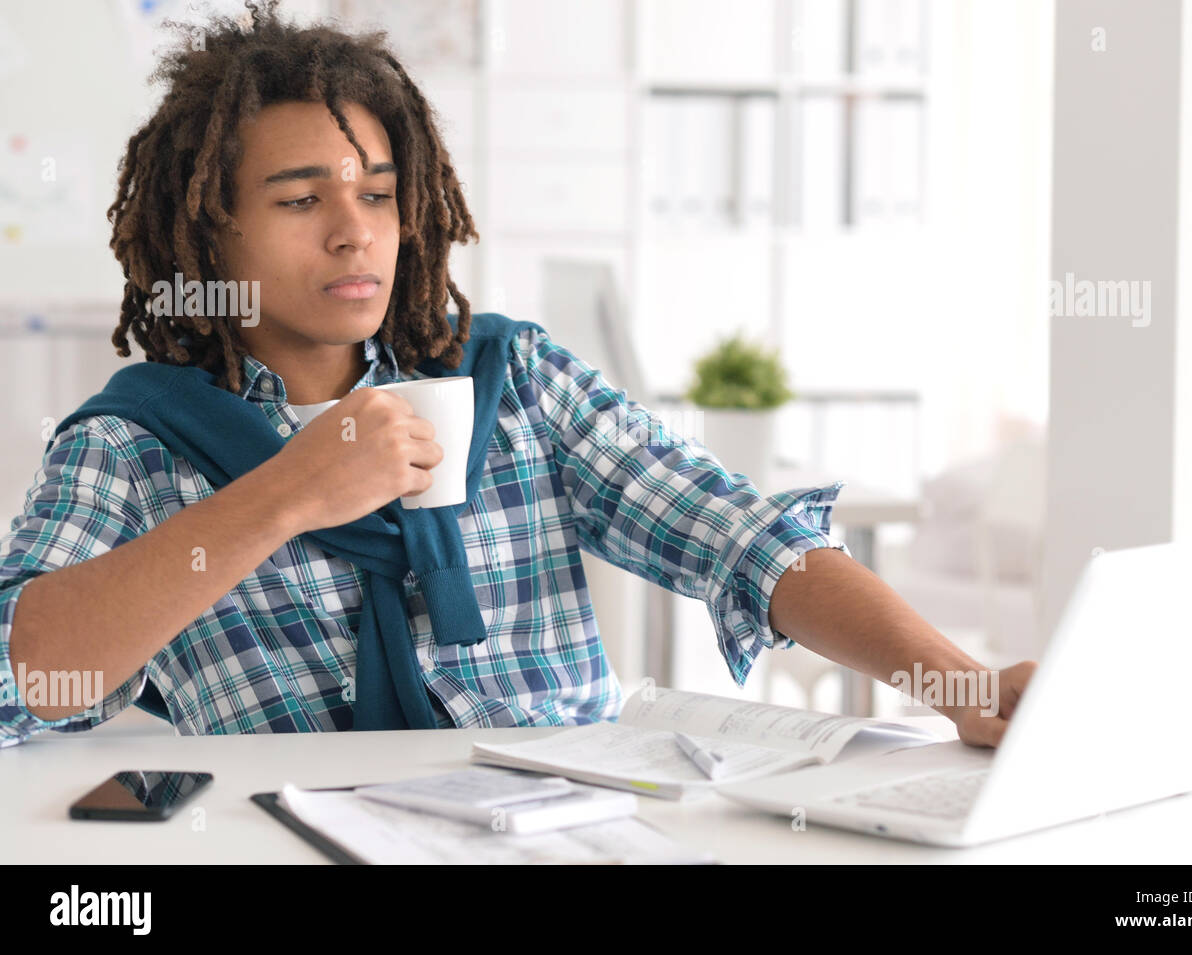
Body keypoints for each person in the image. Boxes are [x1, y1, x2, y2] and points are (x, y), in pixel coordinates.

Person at [0, 0, 1034, 748]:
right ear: (212, 227)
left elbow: (736, 537)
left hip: (569, 834)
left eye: (379, 193)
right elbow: (26, 671)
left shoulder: (511, 377)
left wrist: (955, 678)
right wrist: (286, 492)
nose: (356, 233)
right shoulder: (133, 444)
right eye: (301, 201)